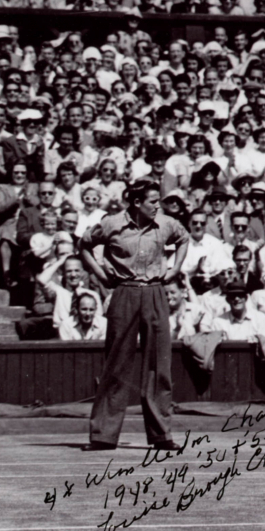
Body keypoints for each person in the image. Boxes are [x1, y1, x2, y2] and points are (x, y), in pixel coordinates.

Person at [79, 179, 189, 450]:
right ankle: (103, 435)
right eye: (153, 201)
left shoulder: (166, 223)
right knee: (116, 363)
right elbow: (84, 244)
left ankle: (161, 435)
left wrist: (174, 270)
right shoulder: (112, 223)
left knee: (158, 365)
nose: (157, 206)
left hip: (155, 293)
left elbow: (184, 239)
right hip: (124, 292)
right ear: (137, 202)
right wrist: (101, 274)